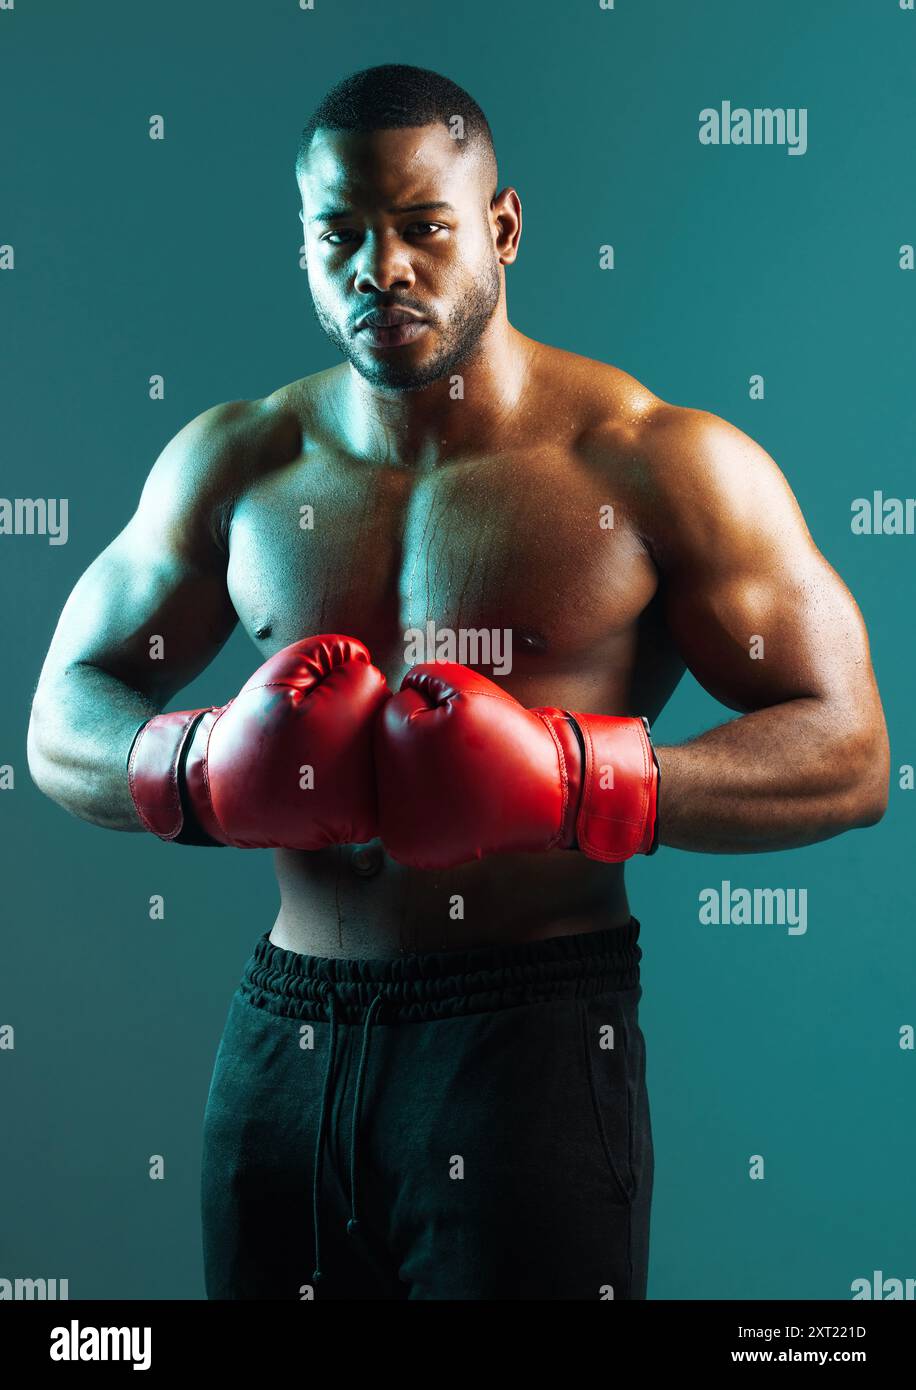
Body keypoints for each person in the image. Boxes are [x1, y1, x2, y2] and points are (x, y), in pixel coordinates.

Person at [27, 64, 889, 1301]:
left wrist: (576, 780)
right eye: (341, 234)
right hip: (283, 1039)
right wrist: (200, 766)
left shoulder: (657, 462)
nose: (379, 266)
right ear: (307, 245)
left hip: (525, 1038)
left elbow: (849, 750)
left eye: (422, 225)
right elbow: (59, 718)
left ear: (501, 227)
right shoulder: (240, 460)